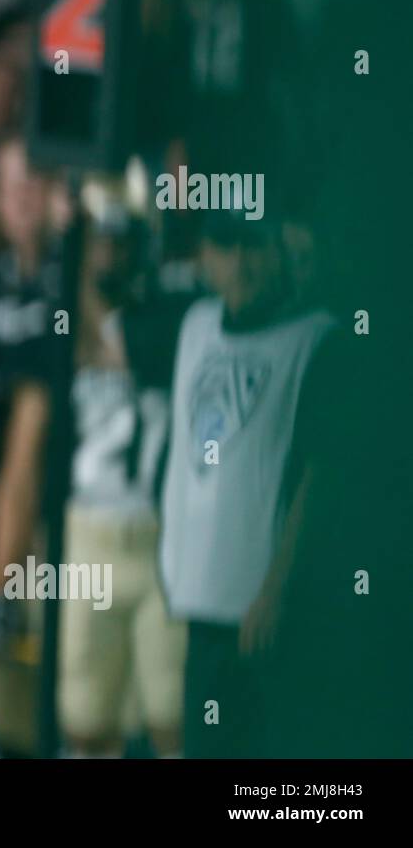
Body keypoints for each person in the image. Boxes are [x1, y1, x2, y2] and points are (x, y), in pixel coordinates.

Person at [159, 206, 333, 758]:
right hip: (196, 602)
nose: (241, 262)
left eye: (254, 245)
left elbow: (317, 474)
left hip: (259, 612)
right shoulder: (195, 326)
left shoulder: (315, 339)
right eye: (225, 246)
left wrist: (276, 590)